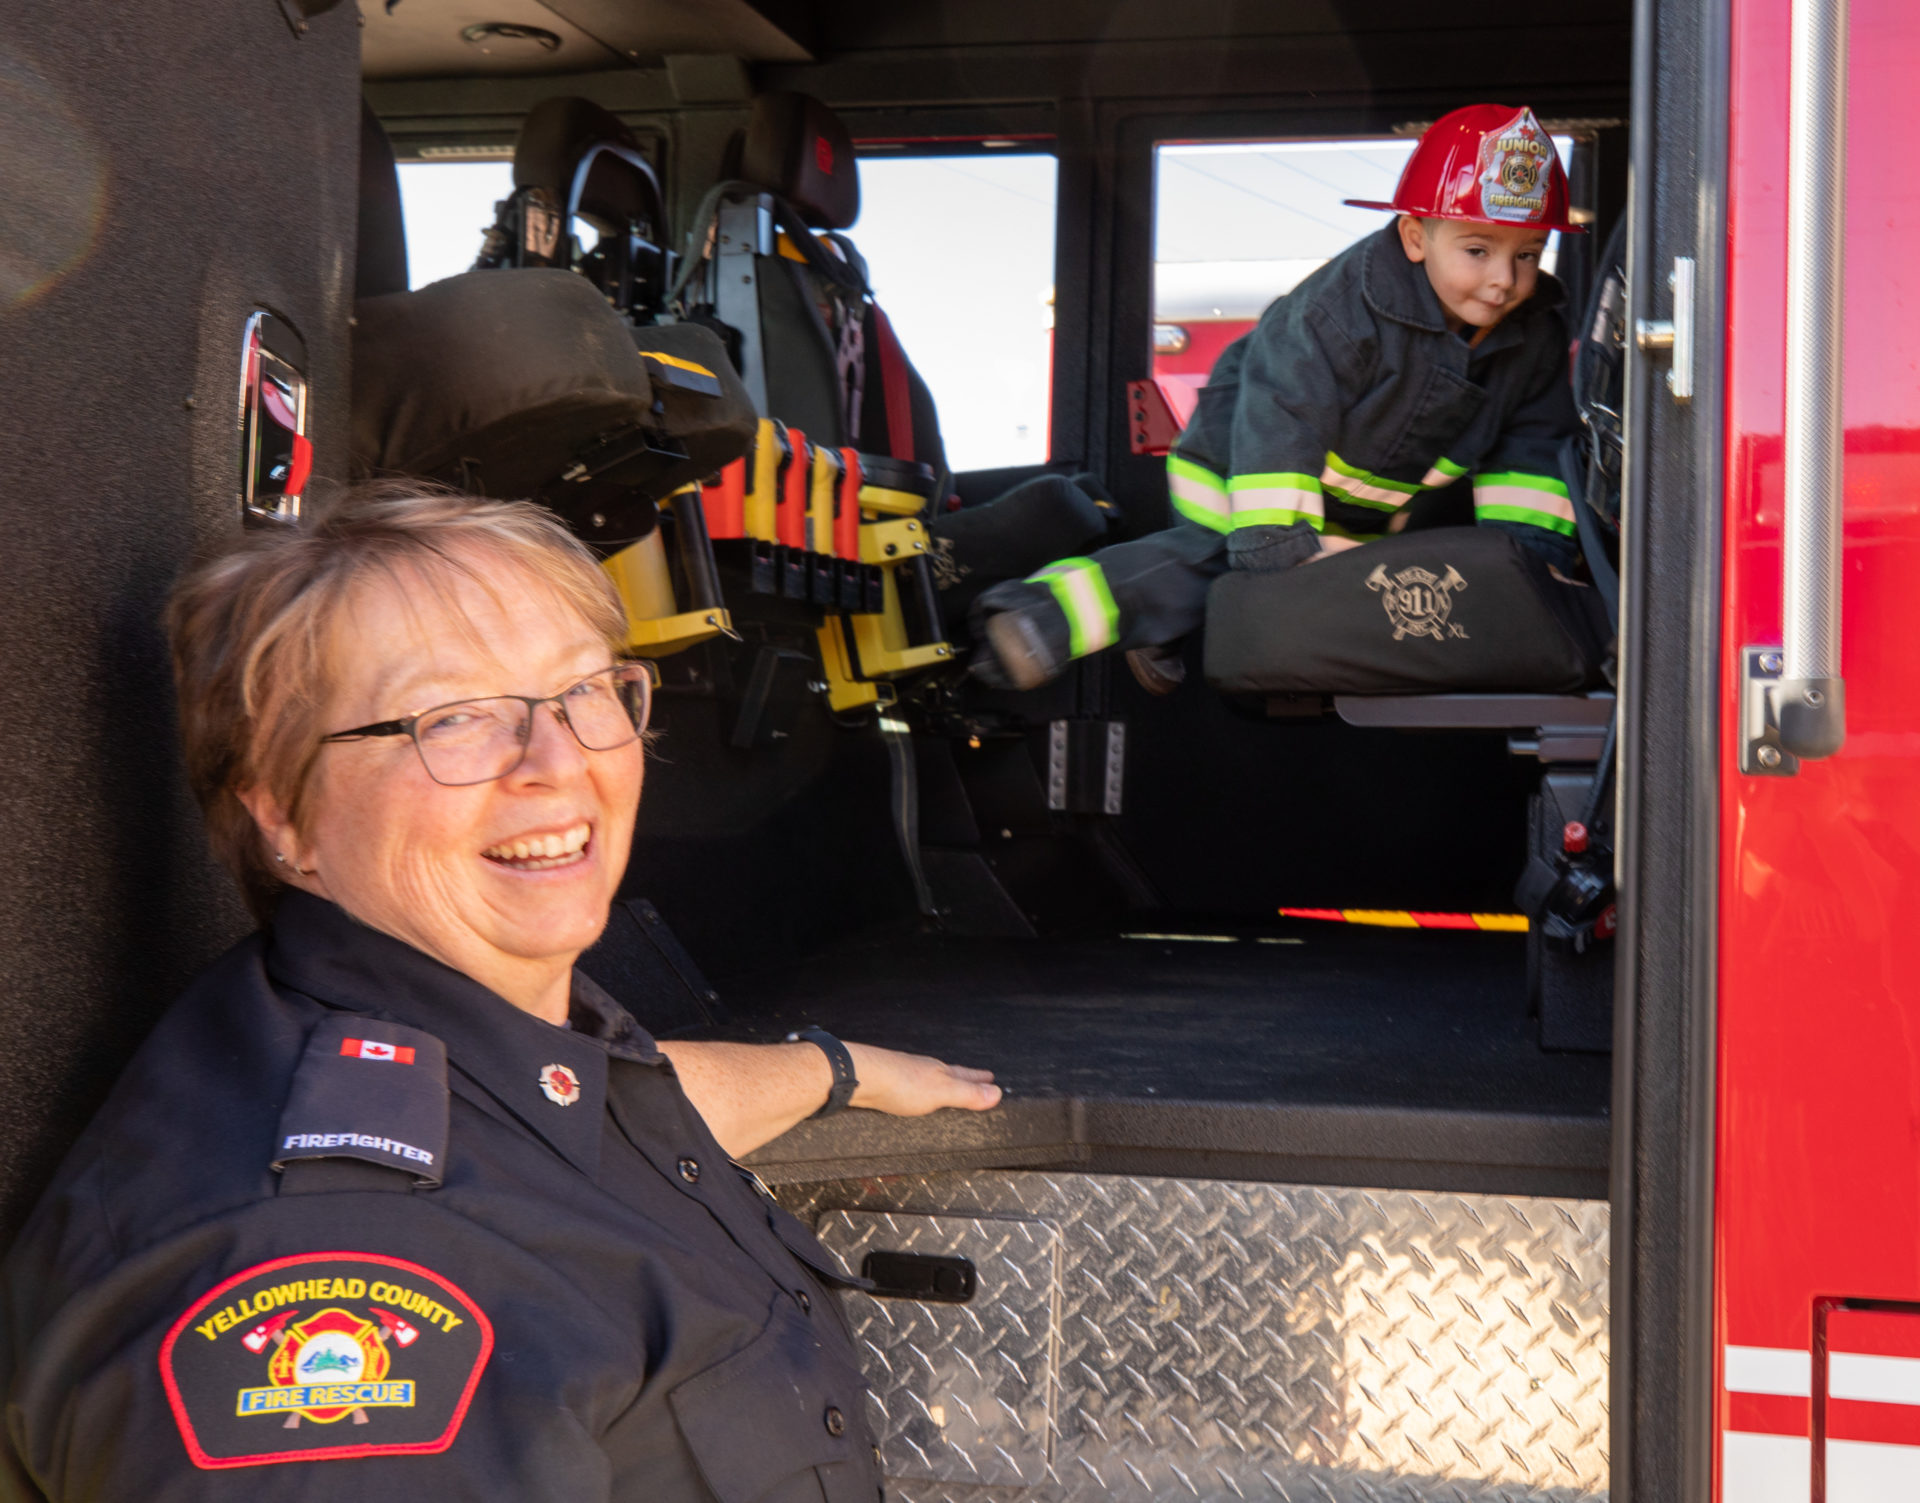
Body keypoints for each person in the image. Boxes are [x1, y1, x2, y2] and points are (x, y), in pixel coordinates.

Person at [0, 483, 1001, 1501]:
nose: (558, 762)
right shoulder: (334, 1272)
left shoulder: (435, 1039)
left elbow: (602, 1121)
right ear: (283, 815)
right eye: (455, 717)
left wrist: (833, 1069)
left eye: (583, 691)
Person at [973, 104, 1586, 692]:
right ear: (1415, 235)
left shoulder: (1533, 337)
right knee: (1200, 566)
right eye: (1478, 251)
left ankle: (1171, 623)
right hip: (1242, 474)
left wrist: (1532, 567)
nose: (1505, 279)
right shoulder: (1335, 313)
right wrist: (1285, 548)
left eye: (1527, 254)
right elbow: (1281, 418)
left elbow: (1532, 458)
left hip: (1356, 510)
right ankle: (1037, 620)